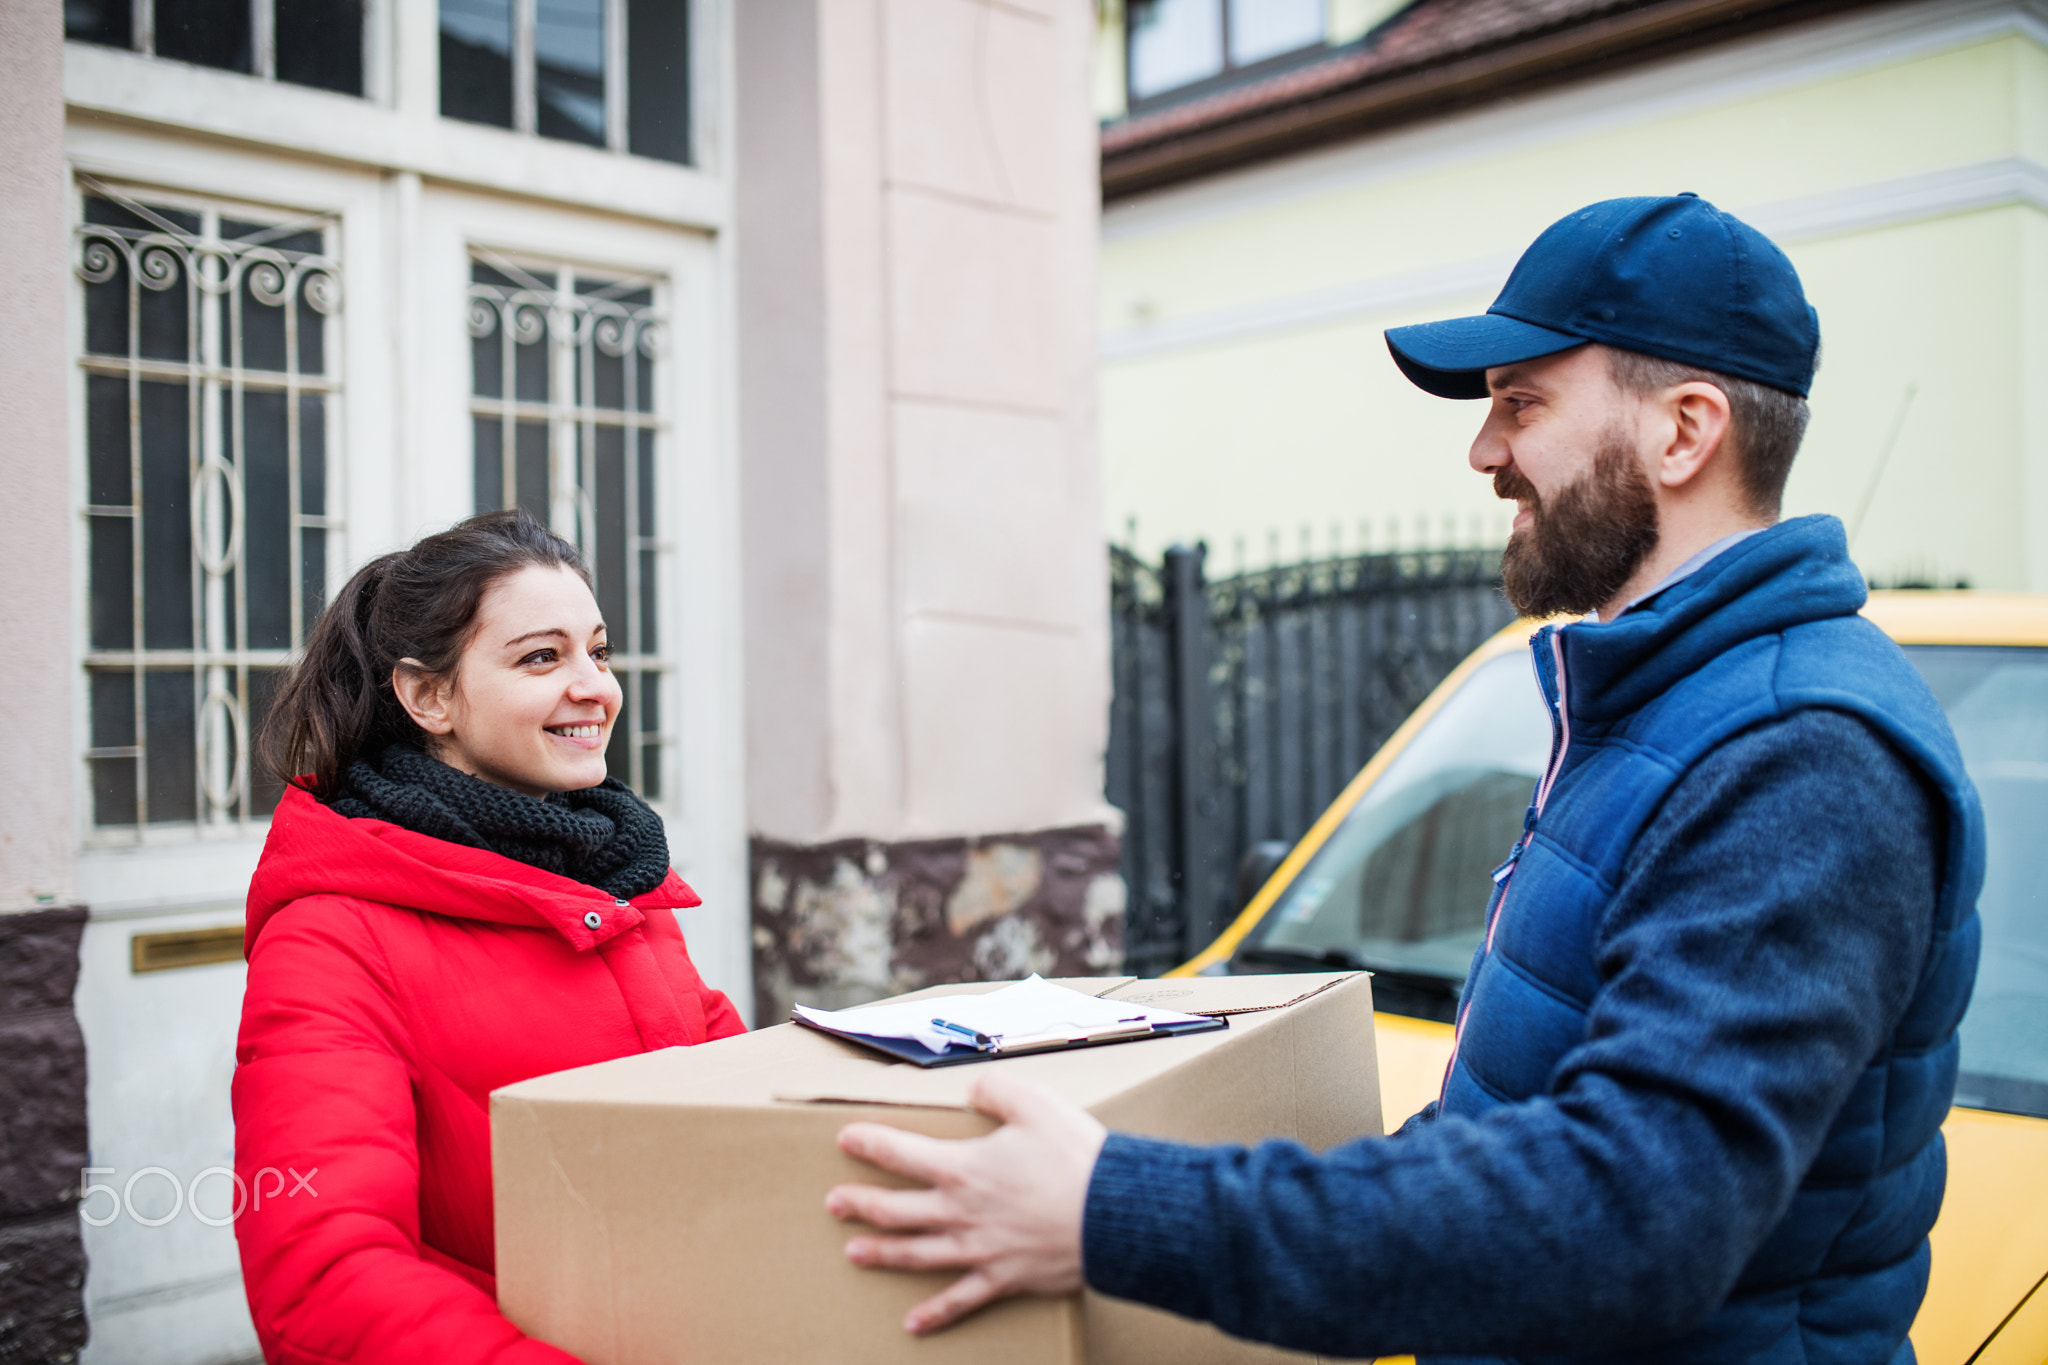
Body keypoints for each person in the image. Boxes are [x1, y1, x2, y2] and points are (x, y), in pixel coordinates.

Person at [823, 195, 1985, 1364]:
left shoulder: (1799, 756)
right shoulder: (1660, 709)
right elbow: (1522, 1121)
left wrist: (1110, 1210)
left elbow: (1626, 1218)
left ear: (1685, 431)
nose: (1484, 453)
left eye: (1520, 405)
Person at [233, 510, 745, 1364]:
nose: (595, 686)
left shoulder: (615, 877)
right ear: (428, 696)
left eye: (599, 649)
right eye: (542, 657)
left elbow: (739, 1122)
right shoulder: (333, 936)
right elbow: (324, 1281)